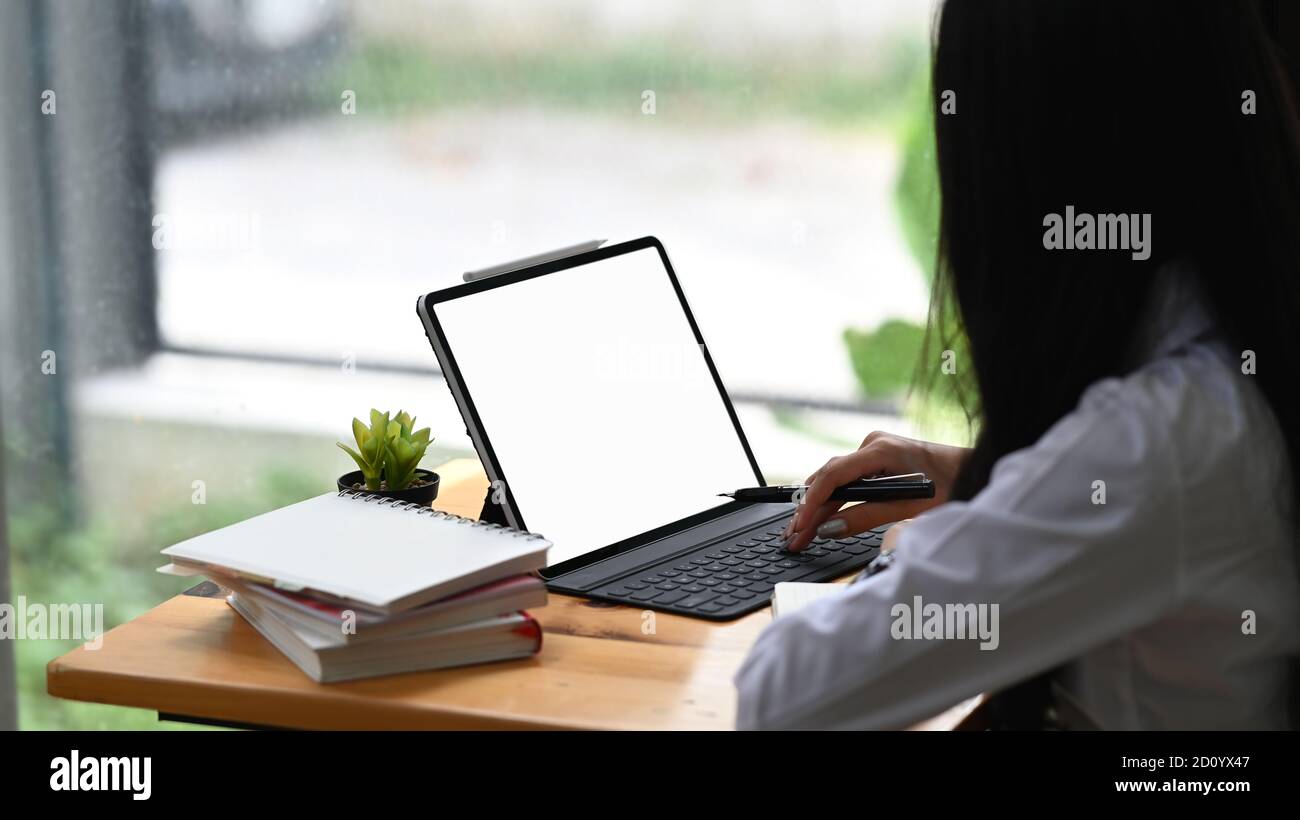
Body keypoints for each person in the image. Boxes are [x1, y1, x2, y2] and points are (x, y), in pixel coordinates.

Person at [734, 0, 1300, 730]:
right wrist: (989, 479)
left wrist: (933, 547)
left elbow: (784, 695)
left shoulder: (1158, 440)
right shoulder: (1234, 352)